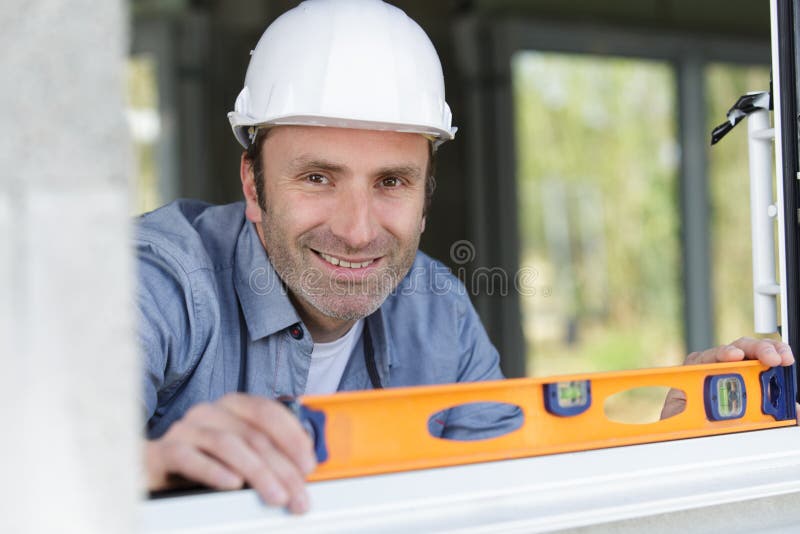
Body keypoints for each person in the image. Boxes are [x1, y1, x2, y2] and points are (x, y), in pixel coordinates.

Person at [139, 0, 794, 515]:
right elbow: (42, 455)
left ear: (424, 196)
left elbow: (523, 498)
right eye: (317, 178)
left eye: (391, 182)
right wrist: (146, 464)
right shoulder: (161, 281)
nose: (358, 230)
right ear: (253, 186)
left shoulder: (438, 311)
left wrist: (680, 433)